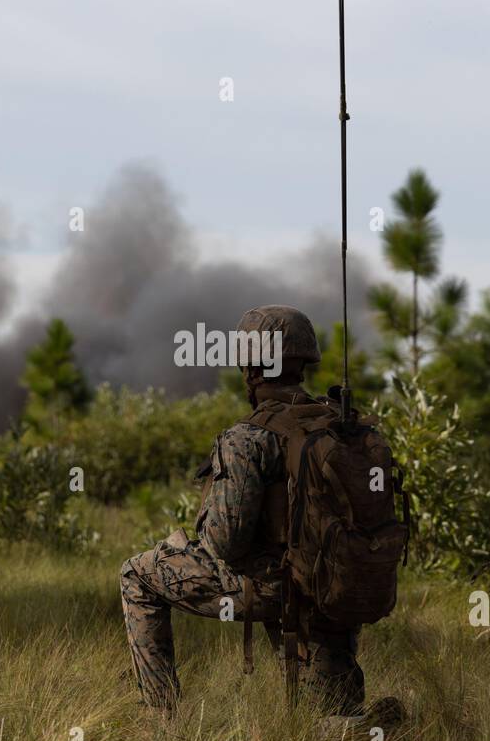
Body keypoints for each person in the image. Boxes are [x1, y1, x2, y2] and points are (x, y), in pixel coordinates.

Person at [119, 305, 367, 715]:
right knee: (335, 721)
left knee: (136, 574)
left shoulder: (246, 437)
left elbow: (225, 544)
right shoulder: (341, 427)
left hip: (273, 586)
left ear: (251, 368)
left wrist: (183, 541)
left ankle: (159, 721)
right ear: (302, 363)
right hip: (332, 584)